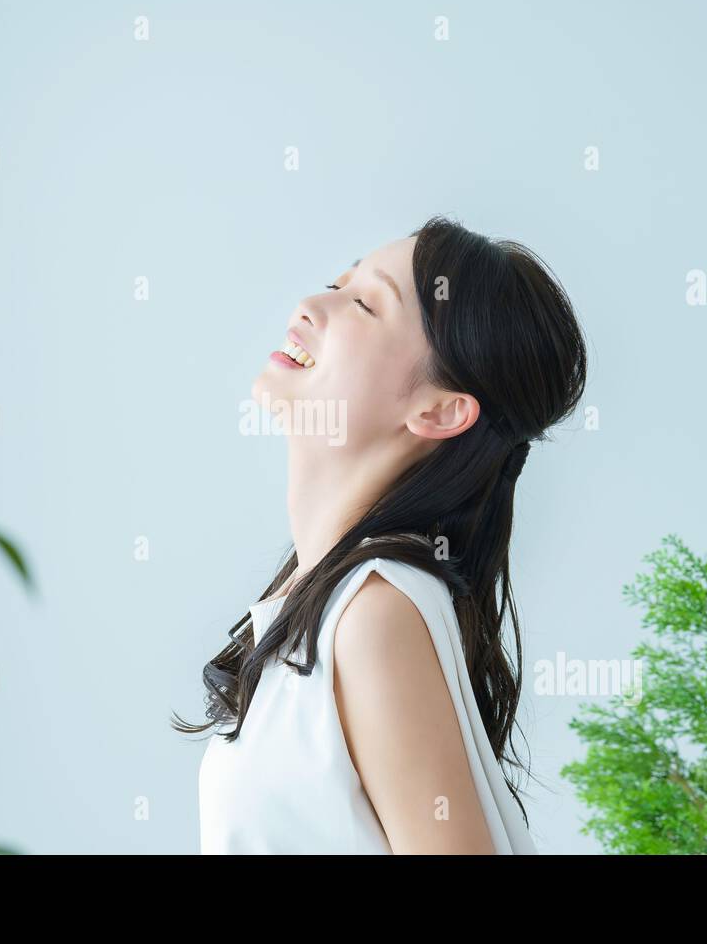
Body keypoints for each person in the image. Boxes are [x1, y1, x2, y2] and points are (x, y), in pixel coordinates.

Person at [175, 215, 588, 853]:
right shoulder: (327, 603)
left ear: (441, 409)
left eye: (366, 305)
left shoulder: (374, 615)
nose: (312, 305)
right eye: (337, 285)